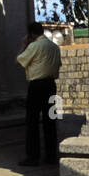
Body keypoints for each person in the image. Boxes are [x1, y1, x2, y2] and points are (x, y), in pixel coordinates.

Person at [16, 22, 62, 167]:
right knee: (51, 121)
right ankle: (51, 156)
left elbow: (18, 60)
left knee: (32, 121)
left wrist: (23, 44)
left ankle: (33, 156)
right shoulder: (55, 47)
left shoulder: (33, 46)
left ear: (31, 34)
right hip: (51, 86)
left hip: (36, 86)